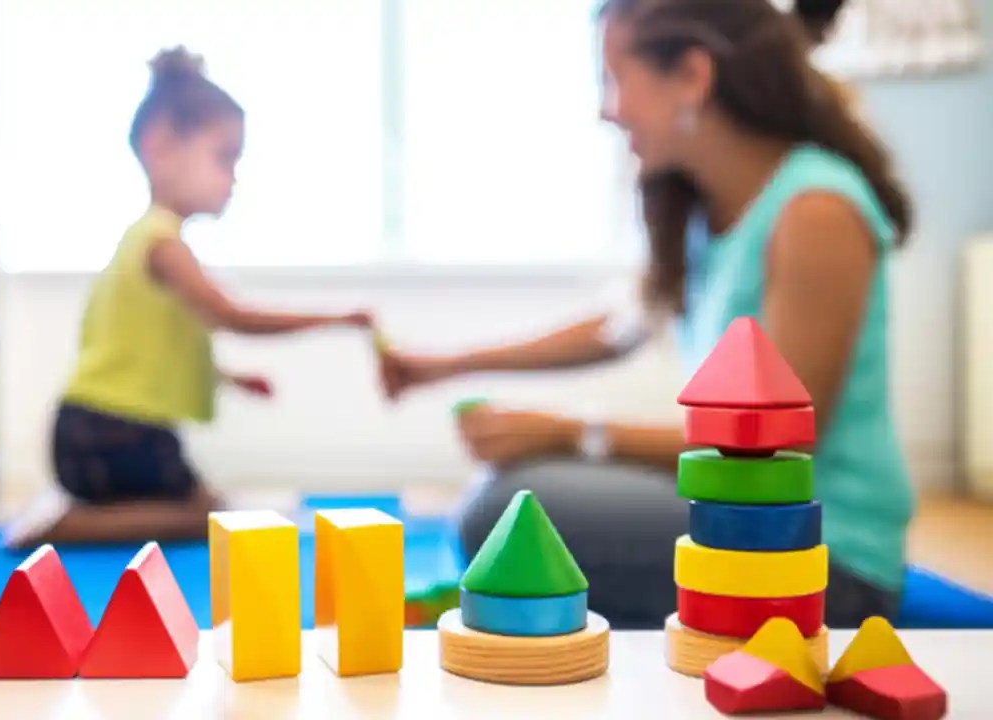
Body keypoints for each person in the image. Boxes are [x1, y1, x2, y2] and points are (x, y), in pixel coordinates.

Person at [380, 0, 913, 630]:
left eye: (615, 77)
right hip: (739, 518)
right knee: (516, 495)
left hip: (823, 554)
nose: (607, 109)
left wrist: (572, 434)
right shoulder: (704, 207)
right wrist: (445, 366)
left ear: (691, 75)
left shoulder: (816, 211)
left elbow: (783, 440)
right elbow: (615, 328)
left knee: (503, 512)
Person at [5, 47, 371, 548]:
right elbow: (229, 314)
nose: (233, 178)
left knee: (210, 506)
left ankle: (76, 511)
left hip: (92, 429)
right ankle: (69, 524)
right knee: (213, 516)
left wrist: (230, 378)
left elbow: (144, 351)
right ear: (161, 147)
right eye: (224, 157)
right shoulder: (163, 244)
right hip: (111, 432)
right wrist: (336, 318)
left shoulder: (141, 241)